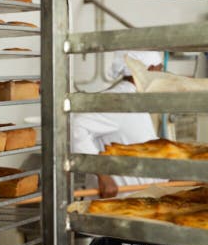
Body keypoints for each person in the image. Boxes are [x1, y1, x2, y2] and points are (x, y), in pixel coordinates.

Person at [70, 50, 164, 198]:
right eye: (160, 70)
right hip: (114, 207)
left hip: (137, 203)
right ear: (150, 70)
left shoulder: (136, 100)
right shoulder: (119, 100)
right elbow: (75, 126)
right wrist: (103, 175)